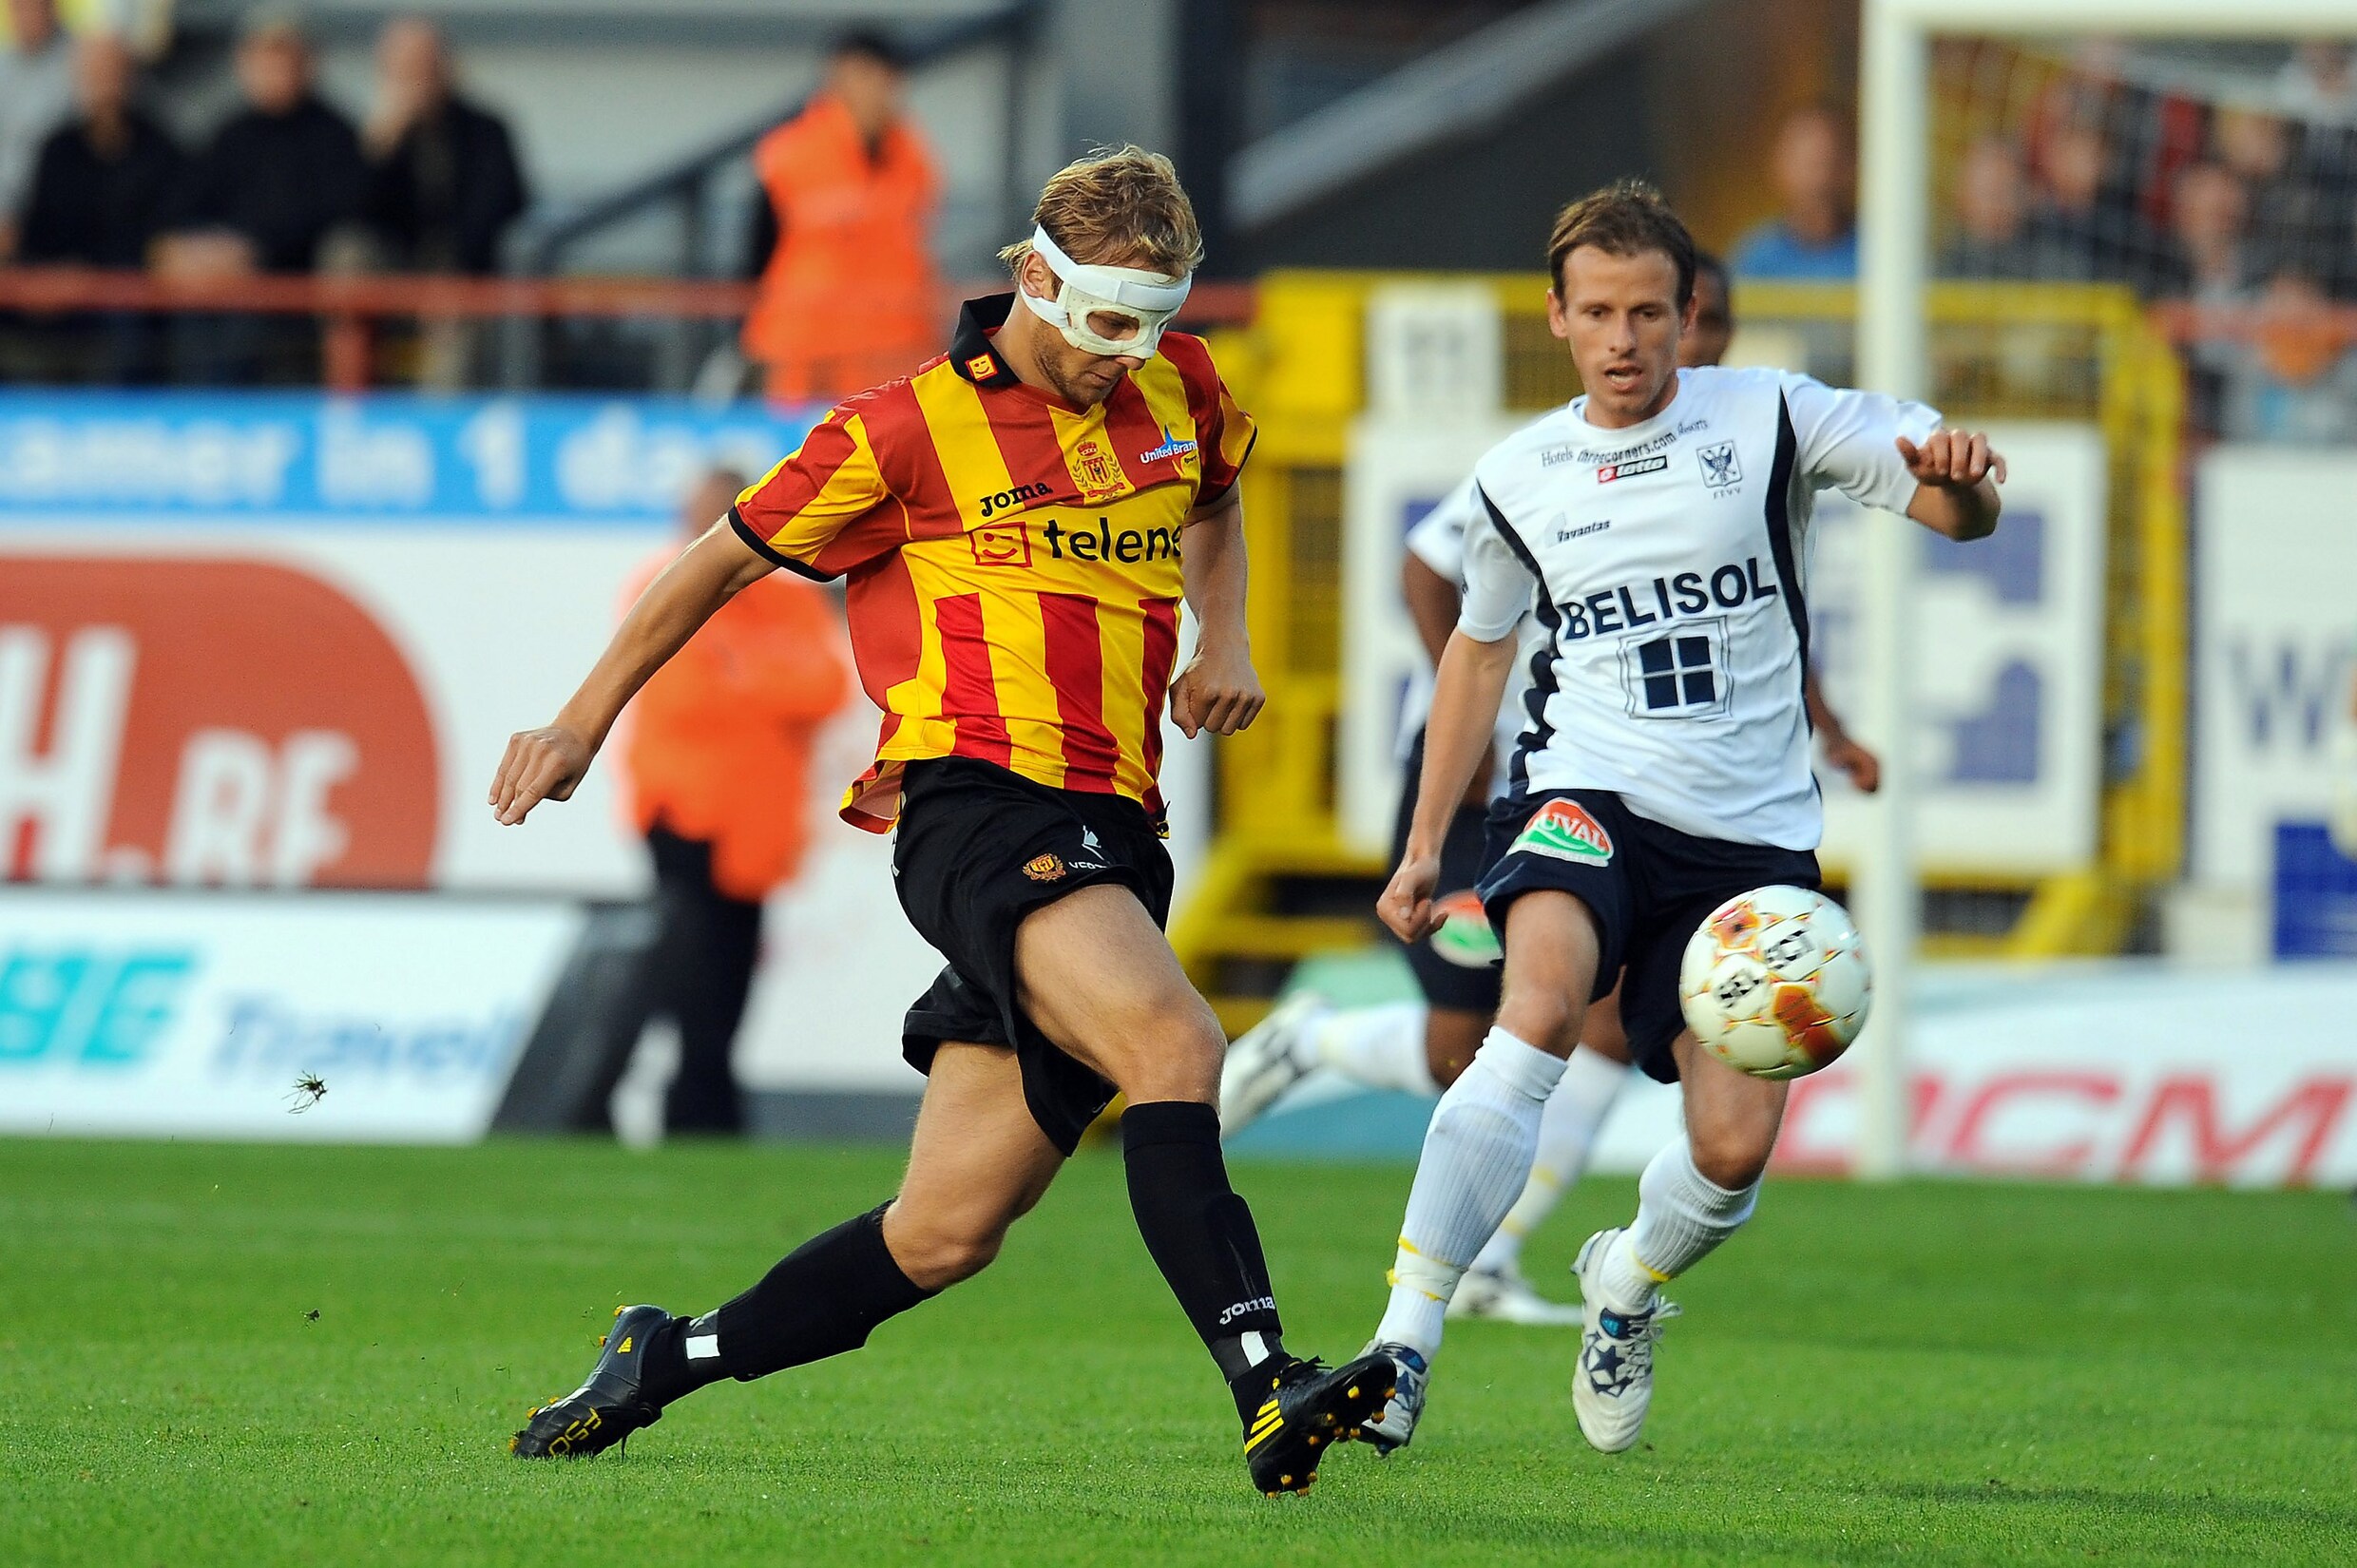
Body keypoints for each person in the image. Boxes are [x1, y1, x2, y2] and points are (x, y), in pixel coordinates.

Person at [491, 146, 1394, 1496]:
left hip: (1113, 829)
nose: (1126, 351)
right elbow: (722, 558)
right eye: (1104, 319)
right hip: (975, 806)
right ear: (1035, 276)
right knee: (1176, 1040)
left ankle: (657, 1359)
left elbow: (1214, 495)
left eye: (1156, 320)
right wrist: (581, 719)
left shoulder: (1179, 387)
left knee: (946, 1229)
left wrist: (1230, 637)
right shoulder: (901, 432)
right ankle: (1269, 1385)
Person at [1354, 181, 2001, 1455]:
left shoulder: (1767, 415)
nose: (1625, 339)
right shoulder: (1518, 475)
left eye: (1650, 311)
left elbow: (1950, 505)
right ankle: (1404, 1343)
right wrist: (1432, 841)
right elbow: (1478, 659)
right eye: (1597, 312)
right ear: (1557, 316)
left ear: (1687, 313)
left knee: (1733, 1145)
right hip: (1585, 792)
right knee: (1534, 1006)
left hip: (1751, 841)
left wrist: (1969, 483)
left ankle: (1629, 1282)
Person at [1217, 251, 1881, 1330]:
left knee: (1591, 1034)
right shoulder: (1551, 464)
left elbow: (1737, 624)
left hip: (1654, 803)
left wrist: (1831, 729)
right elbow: (1432, 572)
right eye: (1612, 316)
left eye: (1674, 323)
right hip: (1500, 768)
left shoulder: (1737, 439)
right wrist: (1468, 747)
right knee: (1479, 1040)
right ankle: (1318, 1046)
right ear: (1571, 322)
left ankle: (1512, 1254)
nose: (1655, 347)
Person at [604, 466, 851, 1136]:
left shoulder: (787, 601)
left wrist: (745, 676)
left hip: (756, 825)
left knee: (731, 964)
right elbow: (687, 697)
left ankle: (704, 1097)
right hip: (683, 811)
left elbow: (825, 690)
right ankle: (690, 1101)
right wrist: (765, 682)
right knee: (691, 961)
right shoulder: (666, 587)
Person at [740, 29, 943, 403]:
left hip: (894, 345)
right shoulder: (789, 154)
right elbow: (757, 251)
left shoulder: (915, 159)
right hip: (807, 348)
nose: (877, 90)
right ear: (838, 77)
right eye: (865, 75)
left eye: (886, 78)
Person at [160, 10, 366, 275]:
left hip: (299, 282)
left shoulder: (337, 137)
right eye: (265, 57)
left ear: (309, 61)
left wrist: (257, 250)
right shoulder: (229, 136)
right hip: (225, 281)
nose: (275, 68)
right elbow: (185, 203)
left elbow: (337, 218)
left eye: (285, 56)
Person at [361, 16, 527, 275]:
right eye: (407, 69)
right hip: (395, 268)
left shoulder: (485, 131)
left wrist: (456, 262)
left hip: (463, 269)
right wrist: (378, 150)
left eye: (426, 66)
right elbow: (354, 214)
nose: (418, 80)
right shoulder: (374, 139)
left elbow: (502, 205)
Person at [18, 29, 182, 269]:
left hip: (140, 288)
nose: (105, 83)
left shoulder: (162, 149)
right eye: (95, 73)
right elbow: (37, 238)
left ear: (132, 76)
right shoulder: (58, 150)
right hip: (68, 290)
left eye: (113, 71)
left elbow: (167, 239)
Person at [1727, 105, 1856, 280]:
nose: (1820, 179)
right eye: (1809, 164)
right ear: (1779, 167)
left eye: (1830, 161)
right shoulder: (1754, 261)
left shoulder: (1885, 252)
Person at [0, 0, 75, 261]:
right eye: (19, 6)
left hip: (58, 223)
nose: (26, 14)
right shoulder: (3, 67)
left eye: (34, 5)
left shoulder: (83, 61)